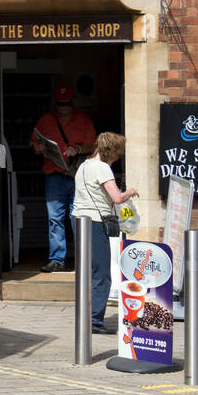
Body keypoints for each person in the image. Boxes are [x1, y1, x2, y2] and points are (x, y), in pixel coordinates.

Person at [72, 132, 138, 333]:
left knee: (87, 271)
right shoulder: (103, 168)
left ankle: (85, 317)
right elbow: (117, 198)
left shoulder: (84, 165)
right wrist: (130, 192)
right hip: (94, 222)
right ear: (113, 152)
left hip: (78, 220)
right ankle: (94, 322)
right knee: (102, 273)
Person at [30, 82, 96, 272]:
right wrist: (39, 148)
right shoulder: (45, 120)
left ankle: (83, 260)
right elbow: (34, 145)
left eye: (67, 103)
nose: (64, 108)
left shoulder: (83, 119)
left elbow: (93, 145)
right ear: (55, 103)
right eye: (60, 104)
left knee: (79, 217)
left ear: (72, 102)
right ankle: (57, 259)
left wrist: (77, 149)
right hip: (54, 176)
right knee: (55, 219)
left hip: (77, 176)